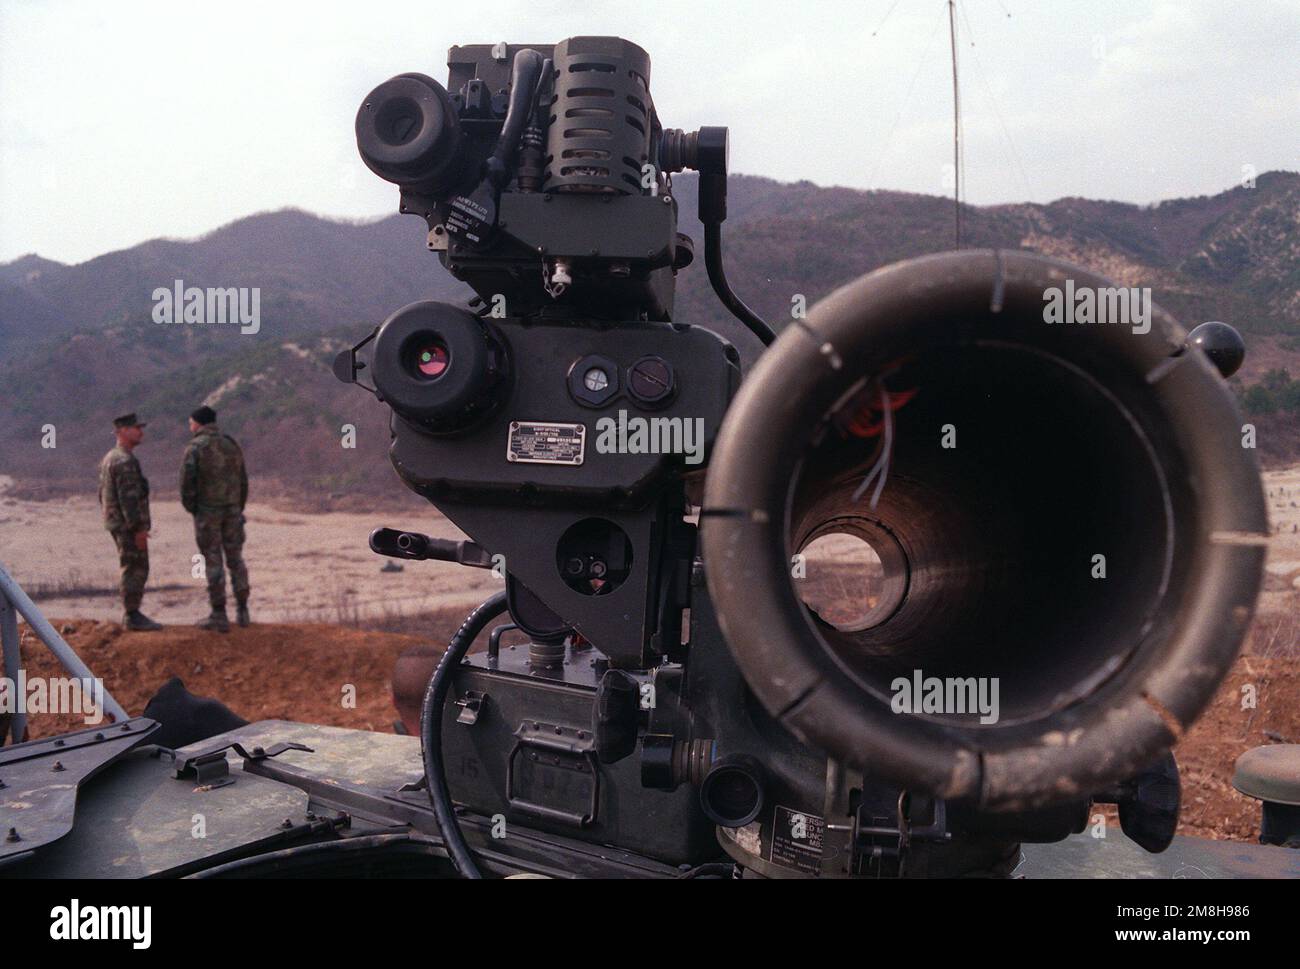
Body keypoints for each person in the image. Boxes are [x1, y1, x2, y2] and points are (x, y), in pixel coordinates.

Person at [181, 406, 250, 632]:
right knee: (236, 559)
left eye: (191, 423)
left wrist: (194, 509)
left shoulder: (195, 448)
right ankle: (242, 610)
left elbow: (186, 484)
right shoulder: (231, 444)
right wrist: (236, 507)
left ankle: (219, 614)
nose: (190, 427)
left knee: (213, 561)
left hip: (208, 513)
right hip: (232, 511)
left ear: (198, 424)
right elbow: (243, 481)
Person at [98, 413, 163, 631]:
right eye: (136, 428)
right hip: (127, 525)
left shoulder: (110, 457)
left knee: (130, 564)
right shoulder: (124, 461)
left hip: (117, 522)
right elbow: (129, 499)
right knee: (135, 566)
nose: (140, 432)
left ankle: (132, 613)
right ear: (123, 431)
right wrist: (138, 529)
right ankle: (132, 615)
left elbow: (103, 494)